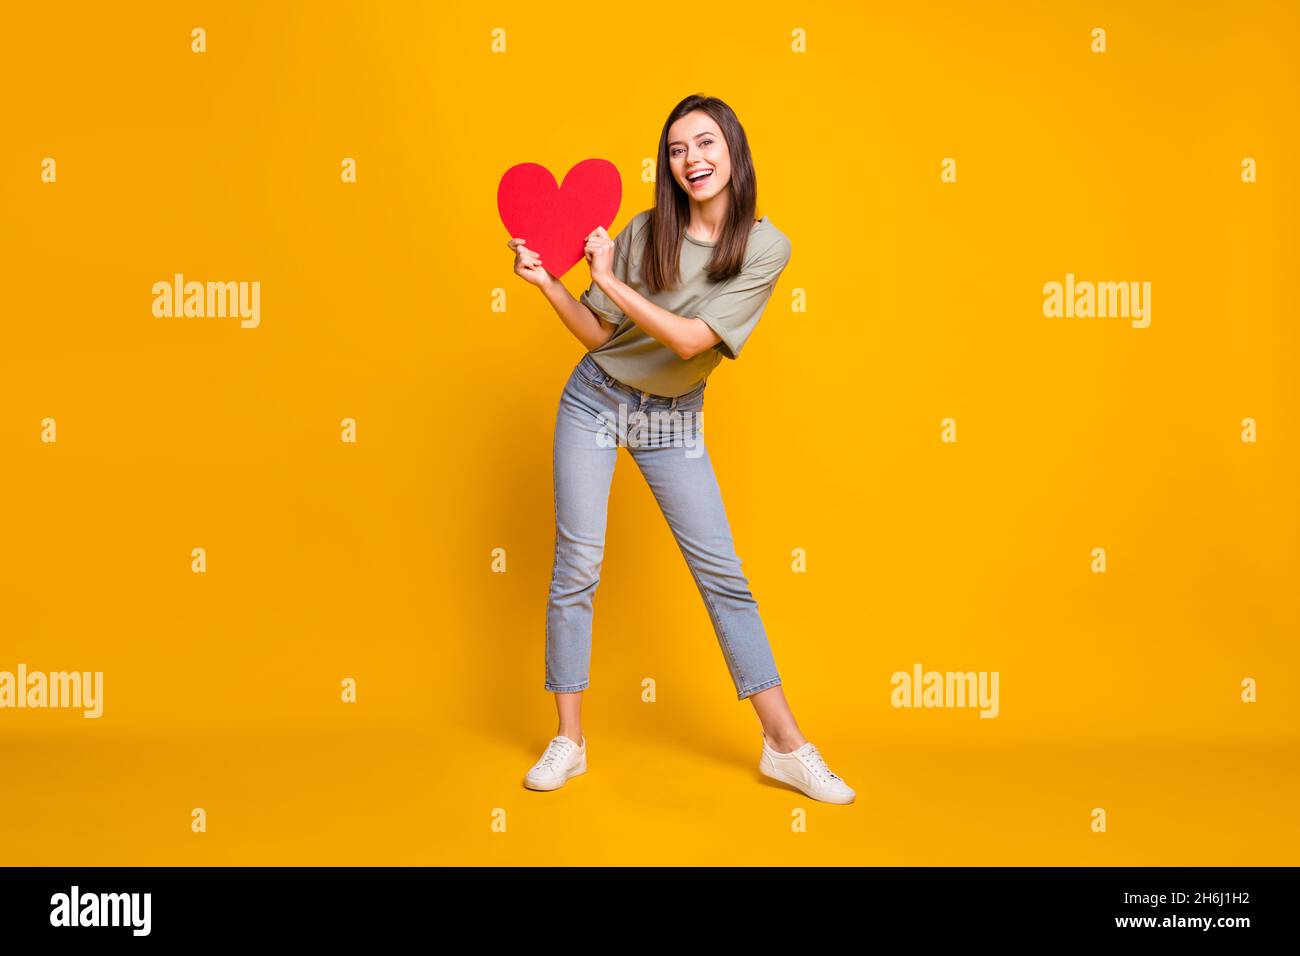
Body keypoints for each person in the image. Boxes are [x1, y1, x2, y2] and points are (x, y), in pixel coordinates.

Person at [505, 93, 854, 804]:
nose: (690, 159)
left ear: (733, 151)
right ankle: (568, 742)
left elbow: (692, 342)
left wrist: (603, 279)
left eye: (704, 144)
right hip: (596, 400)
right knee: (577, 565)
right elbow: (602, 339)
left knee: (722, 575)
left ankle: (786, 745)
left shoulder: (764, 246)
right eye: (675, 150)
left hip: (673, 419)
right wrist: (551, 285)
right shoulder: (641, 232)